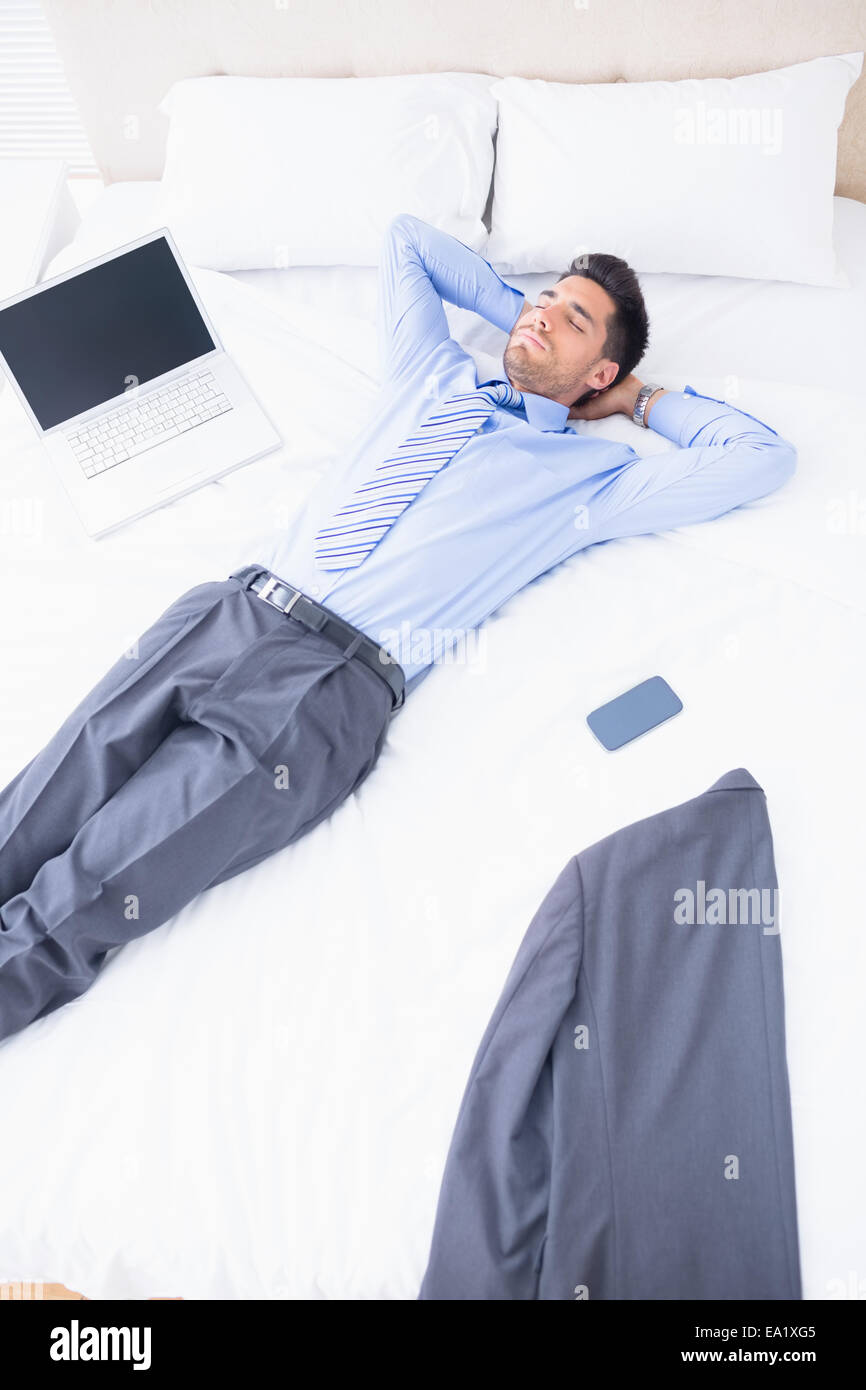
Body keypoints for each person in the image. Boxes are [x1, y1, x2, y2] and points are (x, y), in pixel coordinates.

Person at [0, 214, 796, 1043]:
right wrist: (520, 307)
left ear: (598, 368)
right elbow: (408, 241)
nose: (541, 314)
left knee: (95, 887)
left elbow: (761, 458)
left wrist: (641, 398)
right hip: (229, 608)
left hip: (324, 688)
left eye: (573, 319)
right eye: (543, 298)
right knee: (34, 804)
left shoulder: (590, 479)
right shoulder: (433, 376)